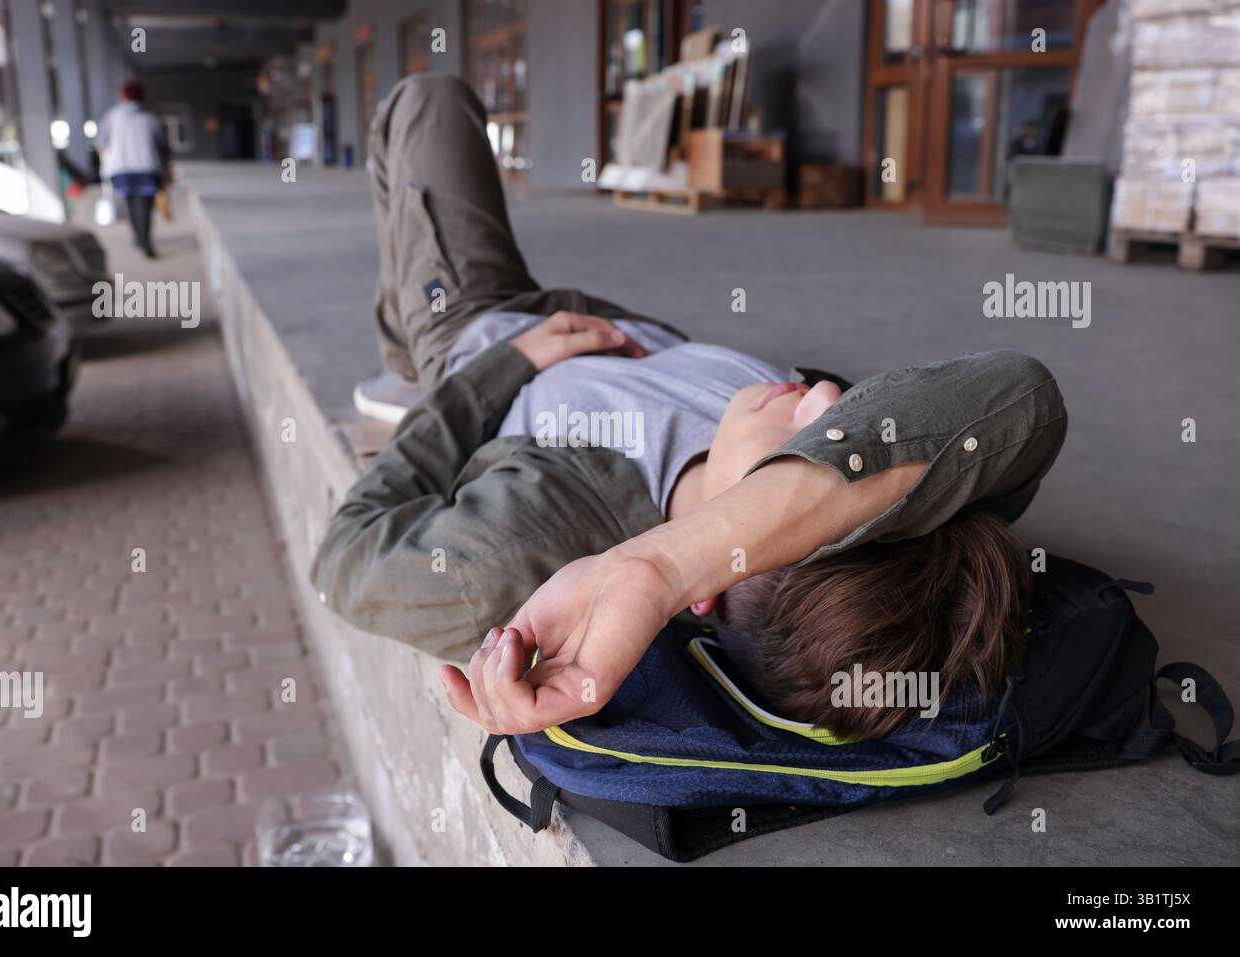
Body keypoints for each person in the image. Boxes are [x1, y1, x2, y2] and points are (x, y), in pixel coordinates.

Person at [311, 75, 1068, 742]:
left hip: (484, 330)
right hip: (606, 322)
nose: (830, 395)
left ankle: (410, 358)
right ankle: (402, 342)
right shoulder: (774, 452)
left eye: (806, 450)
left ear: (713, 578)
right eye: (841, 437)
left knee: (429, 104)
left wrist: (507, 368)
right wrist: (664, 562)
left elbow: (345, 556)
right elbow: (1023, 393)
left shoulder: (527, 548)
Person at [96, 81, 169, 258]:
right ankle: (145, 241)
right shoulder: (151, 118)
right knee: (144, 206)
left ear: (122, 96)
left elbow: (101, 145)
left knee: (130, 203)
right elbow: (163, 147)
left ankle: (138, 237)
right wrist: (166, 171)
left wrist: (106, 164)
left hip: (120, 171)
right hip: (147, 169)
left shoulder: (111, 117)